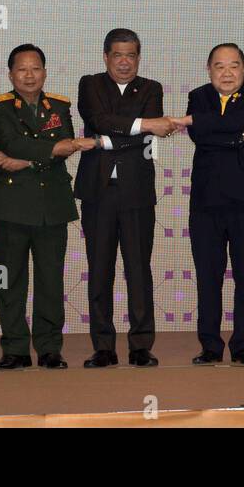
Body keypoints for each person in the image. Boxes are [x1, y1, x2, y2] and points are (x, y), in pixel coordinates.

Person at [173, 43, 244, 365]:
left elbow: (227, 124)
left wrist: (203, 123)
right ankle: (210, 345)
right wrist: (240, 138)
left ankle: (242, 346)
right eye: (219, 66)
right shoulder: (199, 97)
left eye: (233, 65)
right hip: (207, 203)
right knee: (208, 277)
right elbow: (200, 137)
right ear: (209, 70)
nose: (227, 72)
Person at [0, 44, 92, 371]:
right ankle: (14, 348)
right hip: (10, 207)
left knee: (50, 280)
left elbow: (68, 144)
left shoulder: (60, 104)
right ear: (11, 74)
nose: (29, 75)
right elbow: (11, 144)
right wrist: (48, 149)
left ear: (44, 72)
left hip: (51, 206)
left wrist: (30, 158)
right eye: (22, 69)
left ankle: (49, 348)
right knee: (8, 279)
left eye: (35, 69)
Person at [75, 28, 176, 368]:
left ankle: (140, 345)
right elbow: (99, 119)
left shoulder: (152, 88)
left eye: (130, 55)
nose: (123, 62)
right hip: (98, 192)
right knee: (100, 269)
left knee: (138, 269)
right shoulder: (90, 84)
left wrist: (104, 141)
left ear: (138, 58)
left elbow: (141, 137)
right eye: (117, 55)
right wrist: (145, 123)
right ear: (106, 57)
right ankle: (103, 346)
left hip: (136, 192)